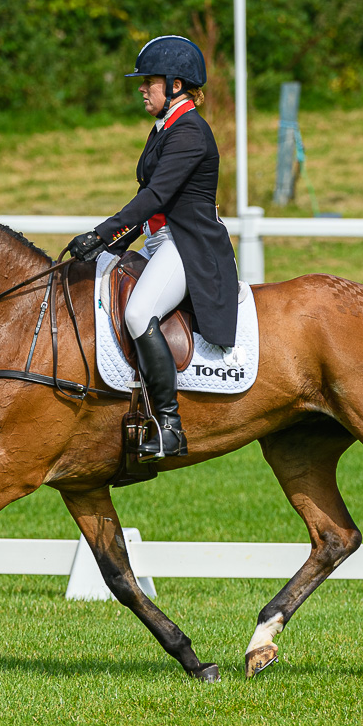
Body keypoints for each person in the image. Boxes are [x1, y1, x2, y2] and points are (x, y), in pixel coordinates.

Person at [67, 35, 240, 461]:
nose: (142, 88)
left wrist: (102, 232)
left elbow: (156, 196)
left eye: (151, 81)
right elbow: (152, 204)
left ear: (177, 85)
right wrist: (114, 244)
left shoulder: (190, 132)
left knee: (139, 312)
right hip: (162, 240)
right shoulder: (165, 128)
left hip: (189, 246)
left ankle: (168, 426)